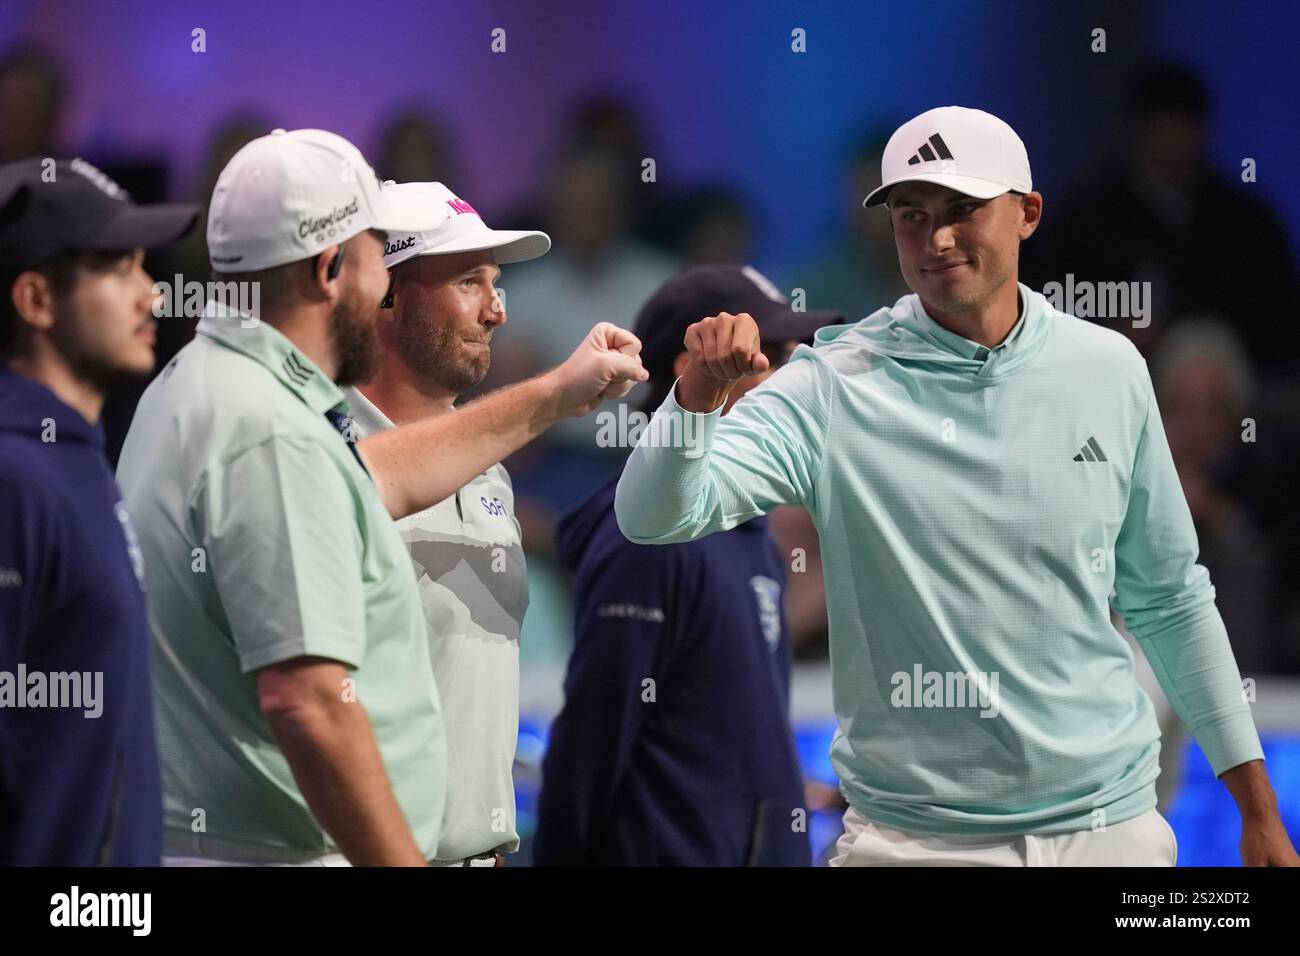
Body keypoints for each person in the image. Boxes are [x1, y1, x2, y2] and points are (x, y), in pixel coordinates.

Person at [615, 106, 1298, 867]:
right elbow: (650, 517)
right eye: (913, 216)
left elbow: (1170, 597)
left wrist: (1260, 812)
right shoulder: (831, 384)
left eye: (962, 209)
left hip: (1113, 833)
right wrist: (695, 401)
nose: (937, 239)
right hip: (915, 845)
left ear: (1028, 213)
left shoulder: (1108, 369)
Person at [115, 129, 645, 866]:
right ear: (335, 268)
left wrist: (555, 396)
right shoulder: (271, 431)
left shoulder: (206, 388)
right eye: (373, 258)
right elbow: (306, 702)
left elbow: (373, 478)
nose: (496, 309)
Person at [536, 265, 840, 866]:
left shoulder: (744, 526)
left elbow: (717, 735)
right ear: (696, 371)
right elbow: (595, 733)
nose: (792, 377)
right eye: (770, 356)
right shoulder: (646, 538)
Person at [344, 180, 549, 866]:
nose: (497, 311)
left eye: (495, 283)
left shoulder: (489, 469)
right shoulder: (323, 459)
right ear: (387, 296)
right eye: (469, 281)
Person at [0, 157, 198, 864]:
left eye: (147, 266)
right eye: (118, 270)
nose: (152, 295)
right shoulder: (16, 477)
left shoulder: (73, 458)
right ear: (36, 301)